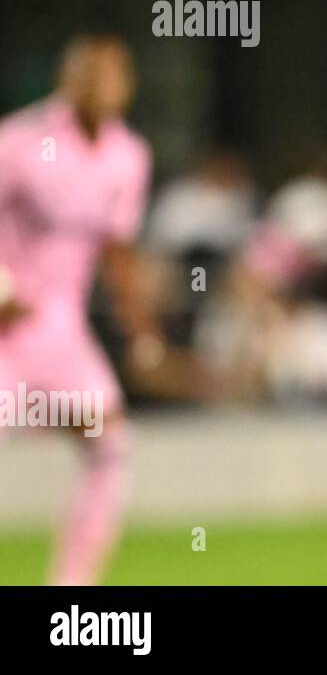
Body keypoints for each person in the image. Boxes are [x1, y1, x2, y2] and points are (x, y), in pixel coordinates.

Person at [0, 34, 158, 585]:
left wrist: (142, 332)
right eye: (92, 75)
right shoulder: (19, 141)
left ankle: (71, 588)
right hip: (5, 332)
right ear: (67, 80)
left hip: (62, 334)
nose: (104, 87)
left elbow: (117, 251)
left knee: (110, 445)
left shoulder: (128, 156)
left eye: (114, 76)